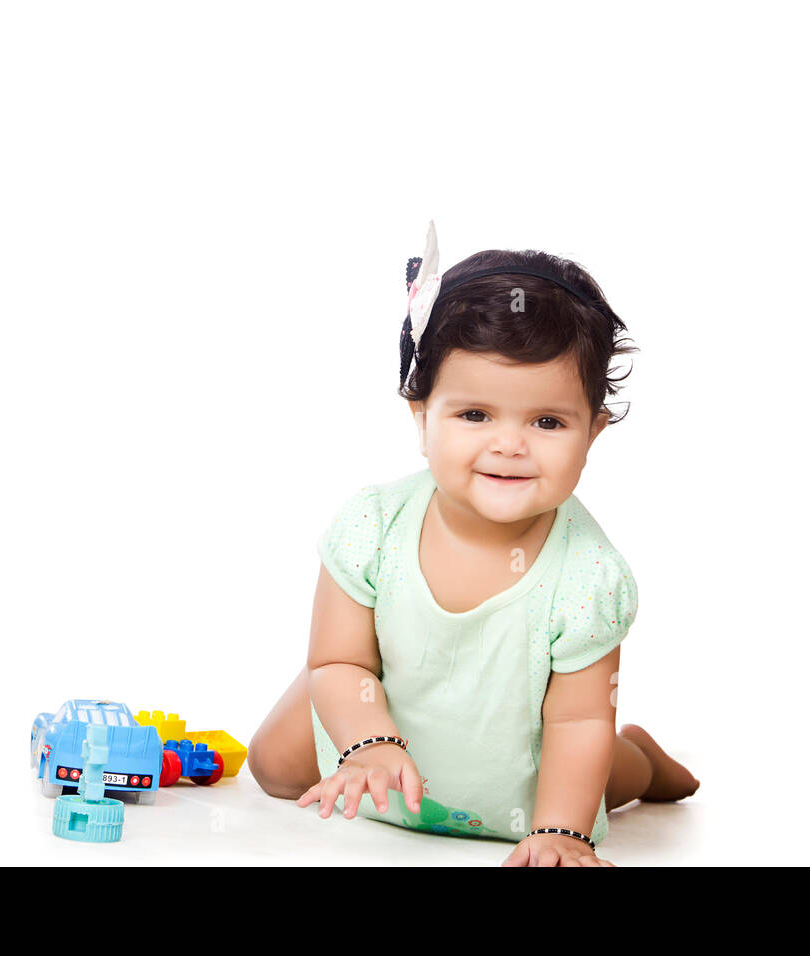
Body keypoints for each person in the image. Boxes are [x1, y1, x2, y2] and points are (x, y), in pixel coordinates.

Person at [249, 222, 698, 866]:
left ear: (592, 433)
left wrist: (561, 831)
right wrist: (366, 741)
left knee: (602, 771)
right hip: (378, 736)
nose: (509, 445)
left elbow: (576, 722)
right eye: (475, 415)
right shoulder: (374, 524)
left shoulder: (588, 576)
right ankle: (390, 695)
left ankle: (646, 761)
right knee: (275, 763)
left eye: (548, 421)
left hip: (522, 766)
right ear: (422, 416)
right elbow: (336, 660)